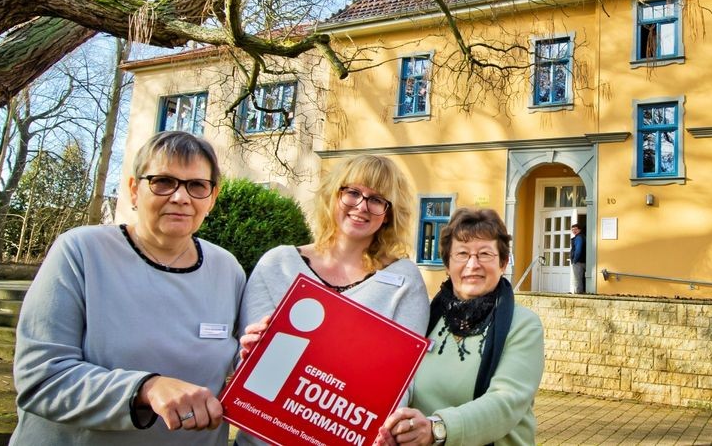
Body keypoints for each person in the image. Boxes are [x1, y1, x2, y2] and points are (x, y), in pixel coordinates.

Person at [12, 131, 245, 445]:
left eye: (197, 186)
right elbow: (41, 378)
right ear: (135, 190)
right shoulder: (81, 251)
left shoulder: (227, 269)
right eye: (163, 181)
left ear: (212, 198)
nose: (180, 197)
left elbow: (243, 366)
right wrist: (146, 388)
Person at [237, 154, 430, 446]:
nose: (361, 206)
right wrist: (252, 353)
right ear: (333, 195)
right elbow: (254, 374)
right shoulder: (278, 264)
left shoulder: (404, 280)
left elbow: (399, 385)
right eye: (352, 192)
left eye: (377, 200)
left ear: (389, 213)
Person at [376, 208, 544, 446]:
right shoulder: (424, 317)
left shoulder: (523, 325)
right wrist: (396, 428)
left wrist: (436, 429)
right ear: (447, 263)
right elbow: (399, 382)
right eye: (462, 253)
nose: (472, 264)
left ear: (503, 263)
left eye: (485, 254)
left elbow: (505, 403)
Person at [569, 223, 586, 294]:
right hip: (583, 261)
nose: (574, 231)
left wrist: (574, 260)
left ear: (580, 230)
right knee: (581, 279)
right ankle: (580, 293)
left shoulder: (579, 237)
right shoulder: (582, 236)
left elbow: (578, 250)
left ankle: (578, 294)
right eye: (572, 230)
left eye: (576, 229)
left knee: (577, 279)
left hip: (578, 262)